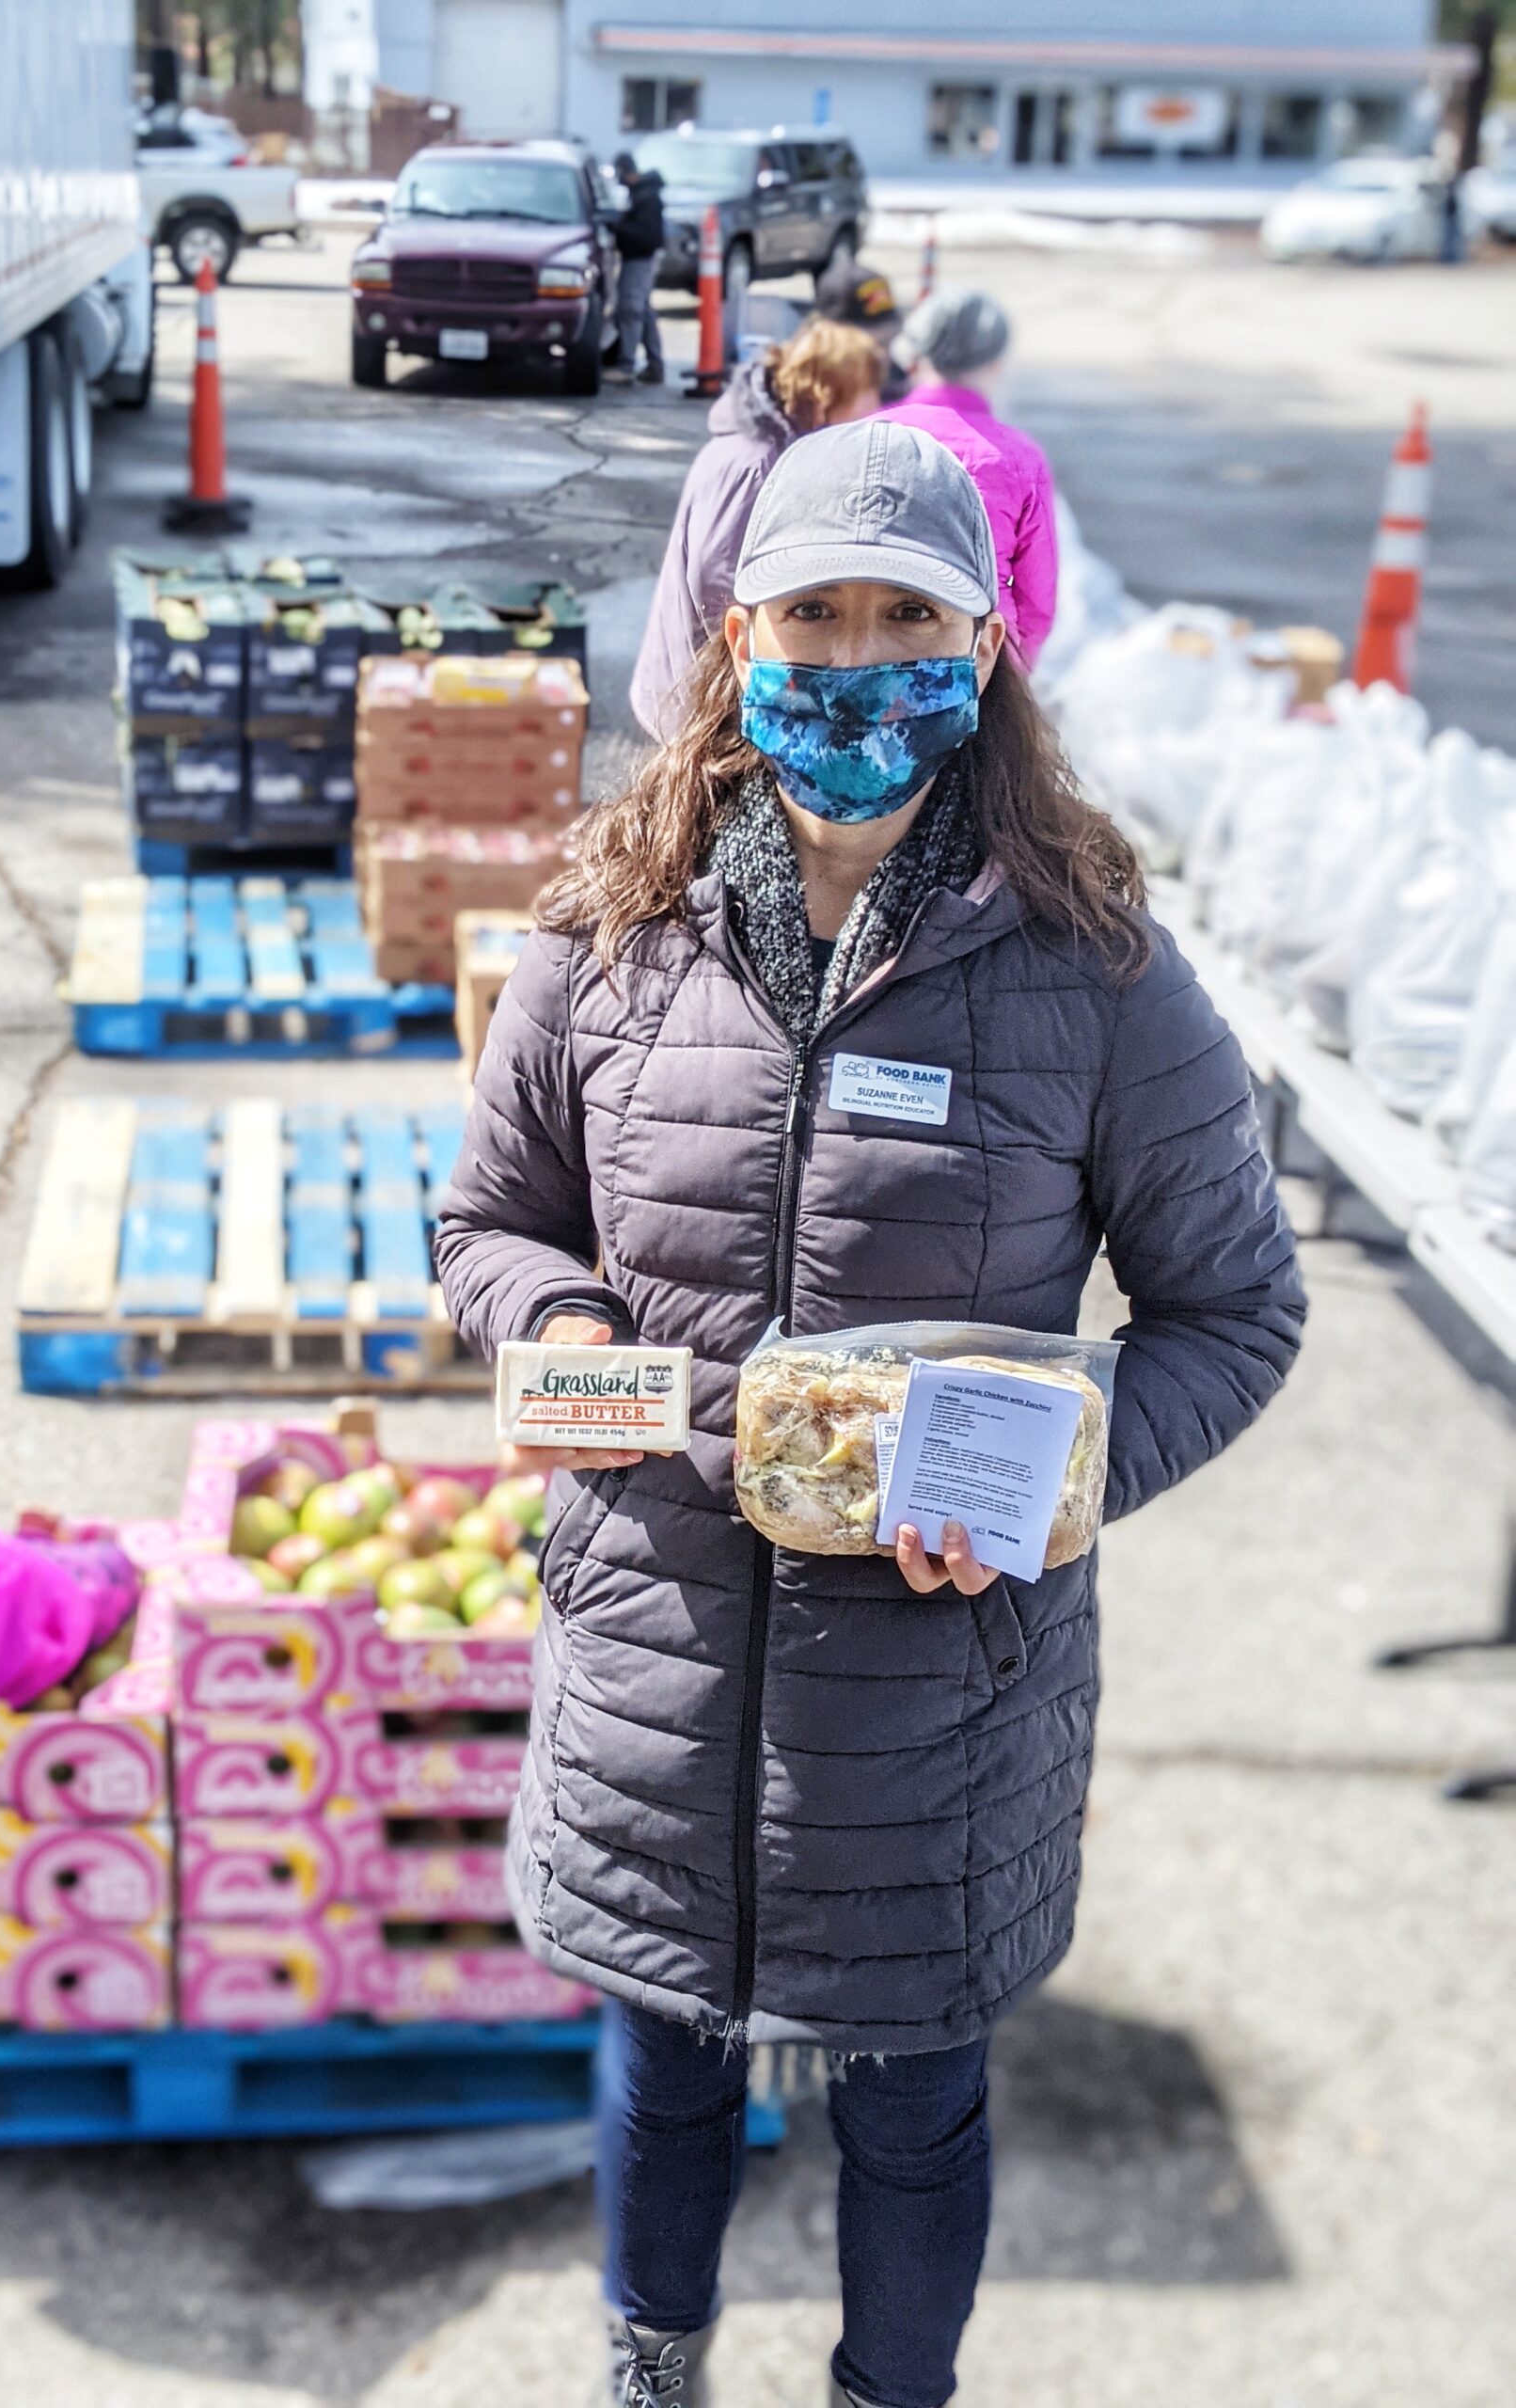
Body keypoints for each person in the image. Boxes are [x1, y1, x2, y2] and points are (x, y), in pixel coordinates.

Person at [435, 418, 1304, 2408]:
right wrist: (569, 1323)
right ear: (736, 637)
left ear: (980, 650)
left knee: (912, 2107)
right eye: (809, 613)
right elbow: (490, 1220)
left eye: (900, 615)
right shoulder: (609, 928)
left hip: (938, 1691)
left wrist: (1050, 1482)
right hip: (657, 1640)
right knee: (662, 2070)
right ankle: (651, 2365)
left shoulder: (1095, 975)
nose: (850, 656)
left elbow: (1233, 1309)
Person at [630, 317, 884, 737]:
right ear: (824, 396)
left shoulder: (777, 446)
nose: (874, 408)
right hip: (705, 701)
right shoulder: (756, 465)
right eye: (865, 394)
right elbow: (720, 586)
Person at [878, 287, 1059, 666]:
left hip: (880, 646)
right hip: (980, 654)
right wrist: (1017, 667)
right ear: (995, 363)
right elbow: (1037, 596)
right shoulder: (1020, 457)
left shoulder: (866, 434)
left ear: (918, 356)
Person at [813, 256, 910, 400]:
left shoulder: (897, 382)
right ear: (829, 331)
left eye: (887, 343)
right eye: (872, 345)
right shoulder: (806, 383)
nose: (882, 355)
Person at [609, 150, 667, 385]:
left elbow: (646, 236)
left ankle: (626, 365)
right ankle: (655, 365)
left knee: (631, 310)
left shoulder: (647, 198)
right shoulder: (642, 195)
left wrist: (617, 227)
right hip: (638, 259)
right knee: (643, 311)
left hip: (640, 260)